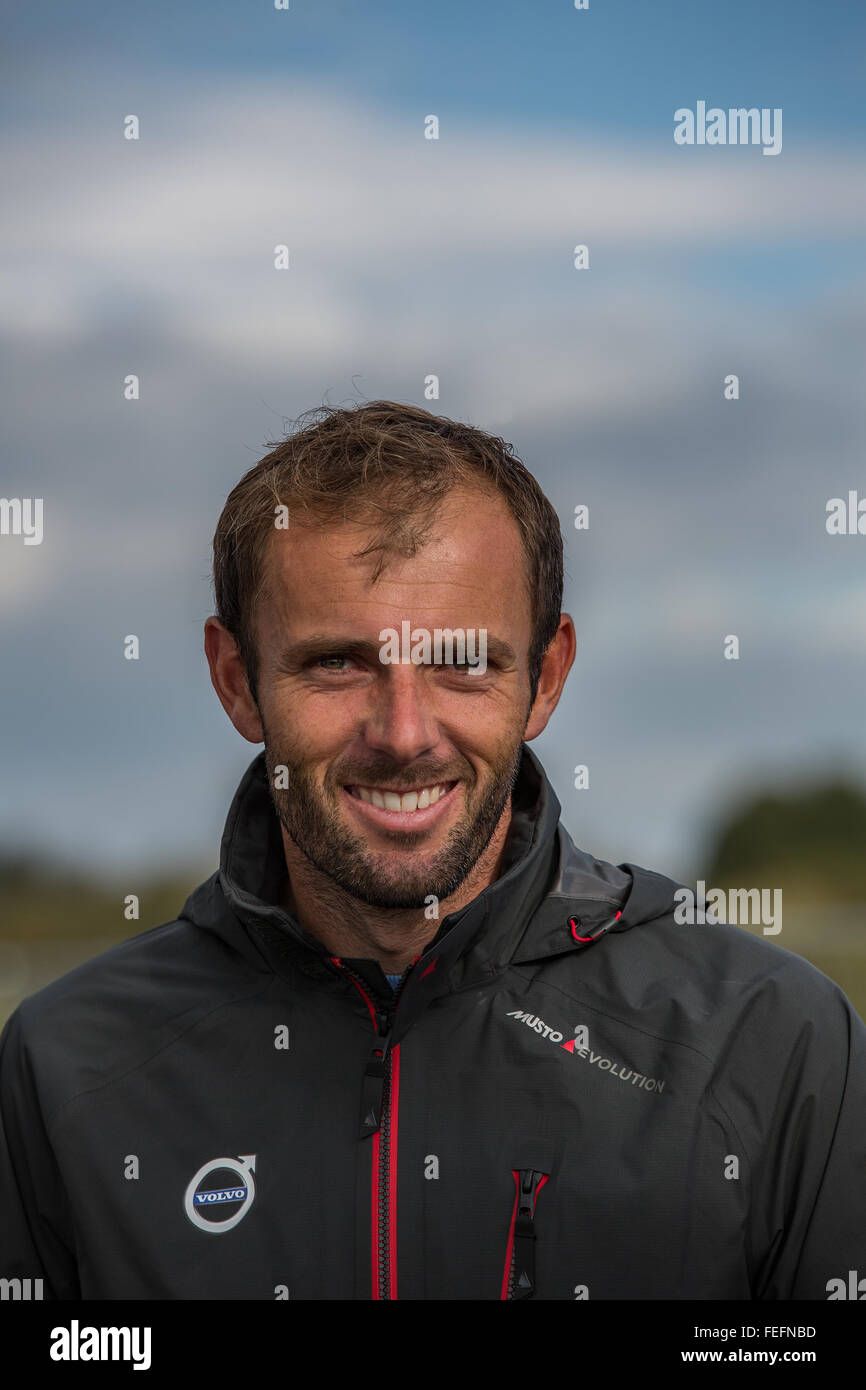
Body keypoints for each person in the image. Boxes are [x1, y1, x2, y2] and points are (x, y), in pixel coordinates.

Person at [1, 400, 864, 1301]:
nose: (404, 733)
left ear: (546, 676)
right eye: (337, 662)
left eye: (462, 663)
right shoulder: (68, 1069)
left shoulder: (769, 1046)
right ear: (237, 682)